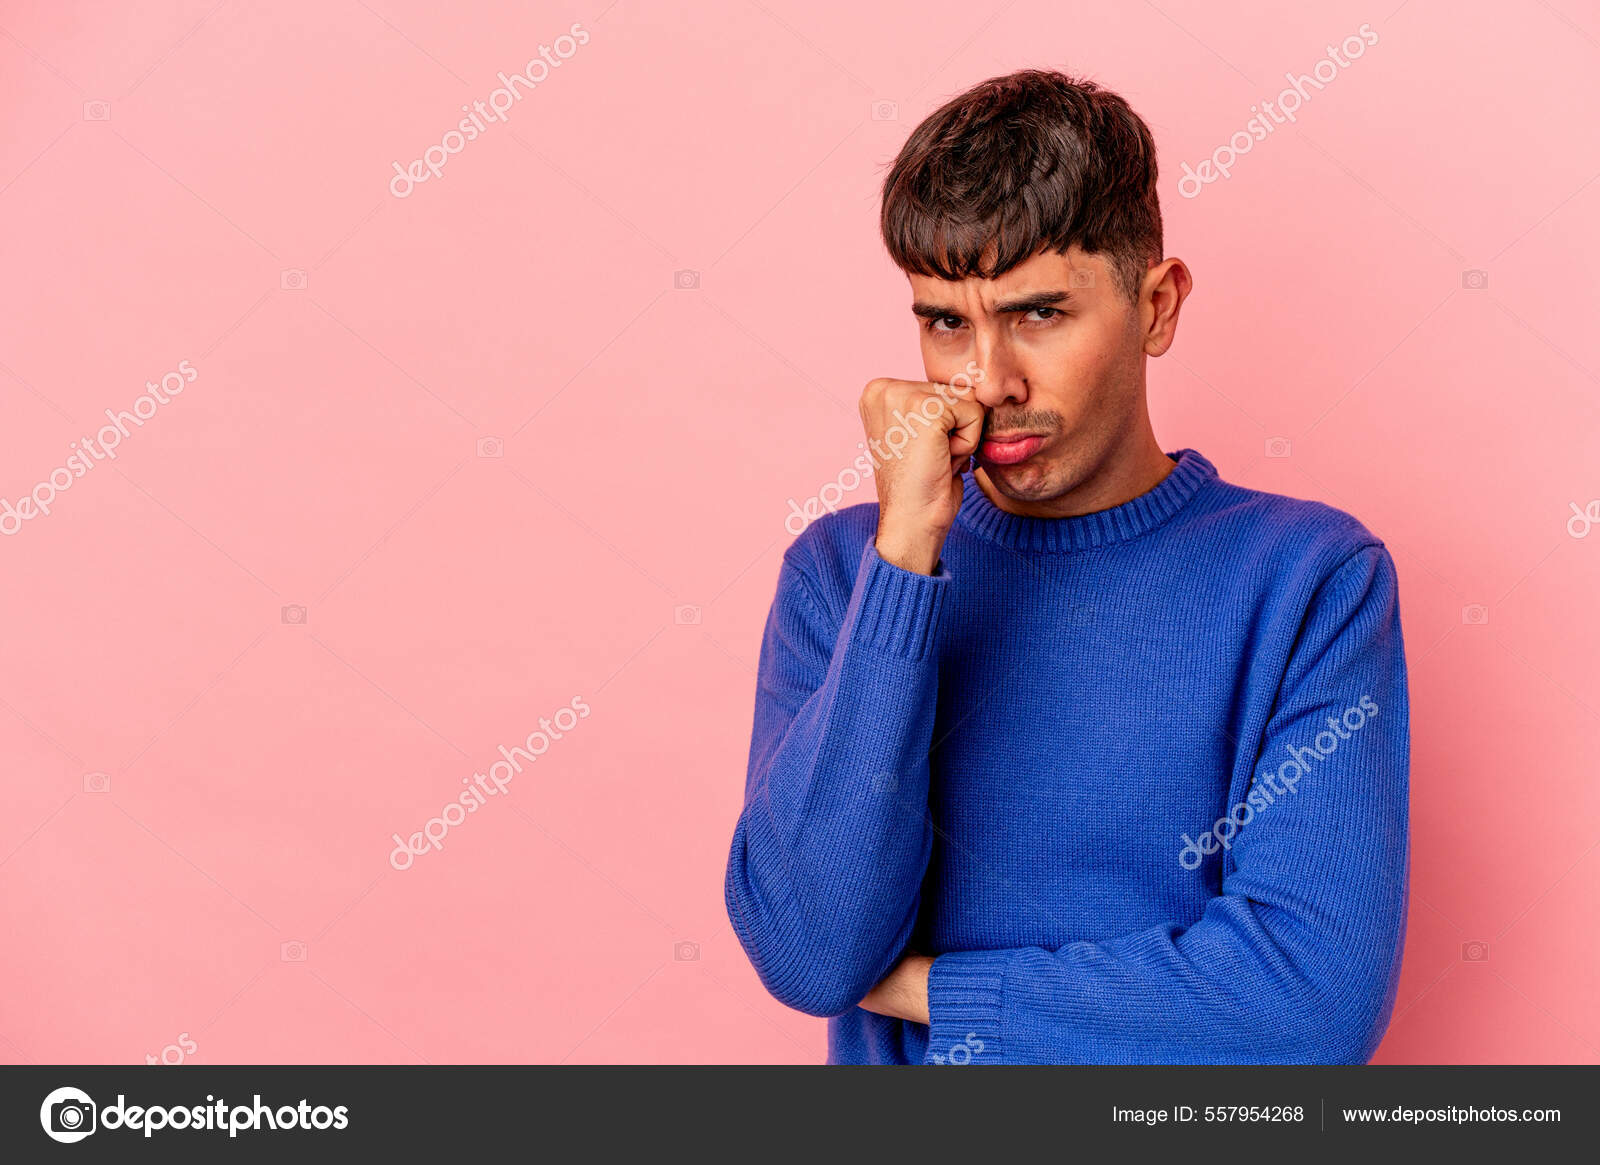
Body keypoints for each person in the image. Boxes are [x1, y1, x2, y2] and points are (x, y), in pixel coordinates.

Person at [724, 68, 1409, 1064]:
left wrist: (931, 989)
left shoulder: (1308, 580)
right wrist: (907, 551)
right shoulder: (845, 574)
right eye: (944, 319)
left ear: (1158, 307)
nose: (985, 380)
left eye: (1038, 313)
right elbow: (810, 954)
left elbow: (1307, 1011)